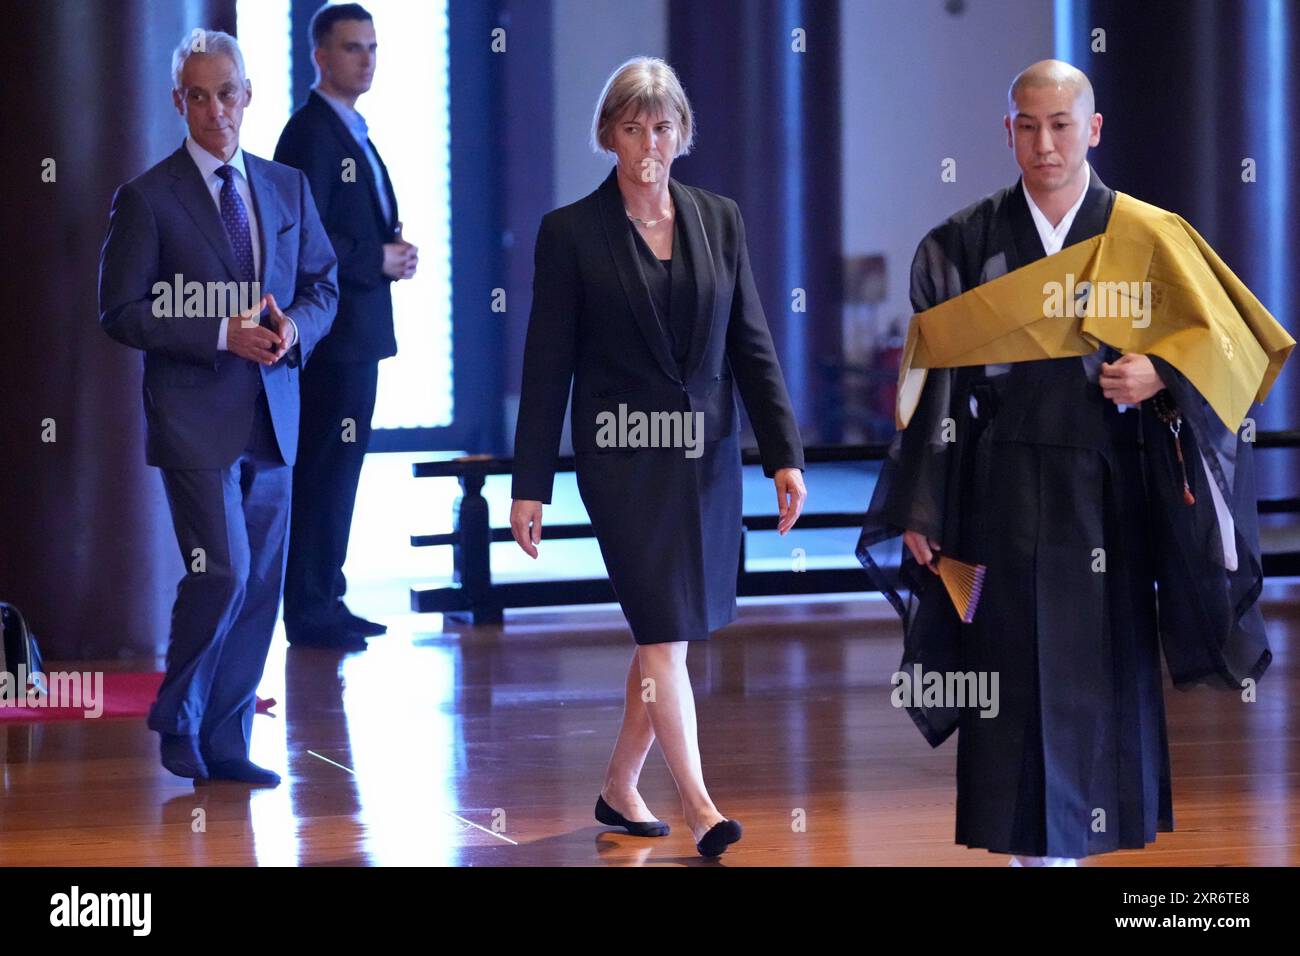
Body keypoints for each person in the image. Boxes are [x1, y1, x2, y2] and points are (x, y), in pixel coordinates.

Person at [857, 59, 1291, 866]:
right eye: (1029, 126)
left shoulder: (1148, 236)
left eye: (1062, 125)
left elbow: (1233, 348)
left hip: (1108, 492)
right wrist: (921, 506)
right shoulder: (965, 243)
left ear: (1093, 129)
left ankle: (1077, 849)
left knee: (1101, 676)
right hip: (1000, 493)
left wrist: (1163, 370)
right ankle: (1030, 854)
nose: (1045, 143)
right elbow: (936, 385)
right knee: (1010, 676)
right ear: (1008, 132)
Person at [509, 57, 807, 858]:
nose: (649, 141)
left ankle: (617, 788)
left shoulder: (721, 218)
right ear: (608, 135)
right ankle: (704, 807)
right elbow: (546, 367)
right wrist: (528, 485)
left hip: (705, 462)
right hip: (623, 461)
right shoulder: (569, 233)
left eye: (663, 125)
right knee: (665, 633)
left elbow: (752, 344)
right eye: (633, 127)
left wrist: (783, 453)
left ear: (683, 133)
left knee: (662, 634)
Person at [99, 30, 338, 785]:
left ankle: (227, 743)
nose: (215, 110)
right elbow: (119, 312)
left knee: (261, 586)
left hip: (275, 416)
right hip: (193, 420)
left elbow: (324, 287)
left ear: (247, 95)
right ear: (178, 102)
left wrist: (293, 327)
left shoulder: (287, 187)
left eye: (226, 93)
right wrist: (217, 332)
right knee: (223, 573)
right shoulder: (145, 198)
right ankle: (179, 713)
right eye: (197, 96)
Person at [275, 2, 415, 650]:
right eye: (353, 47)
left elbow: (354, 221)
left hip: (356, 330)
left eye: (372, 46)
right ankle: (309, 609)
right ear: (320, 57)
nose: (366, 59)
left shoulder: (352, 127)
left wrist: (392, 248)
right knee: (325, 471)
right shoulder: (310, 133)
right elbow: (305, 234)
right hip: (331, 337)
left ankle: (327, 595)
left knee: (341, 469)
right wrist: (375, 258)